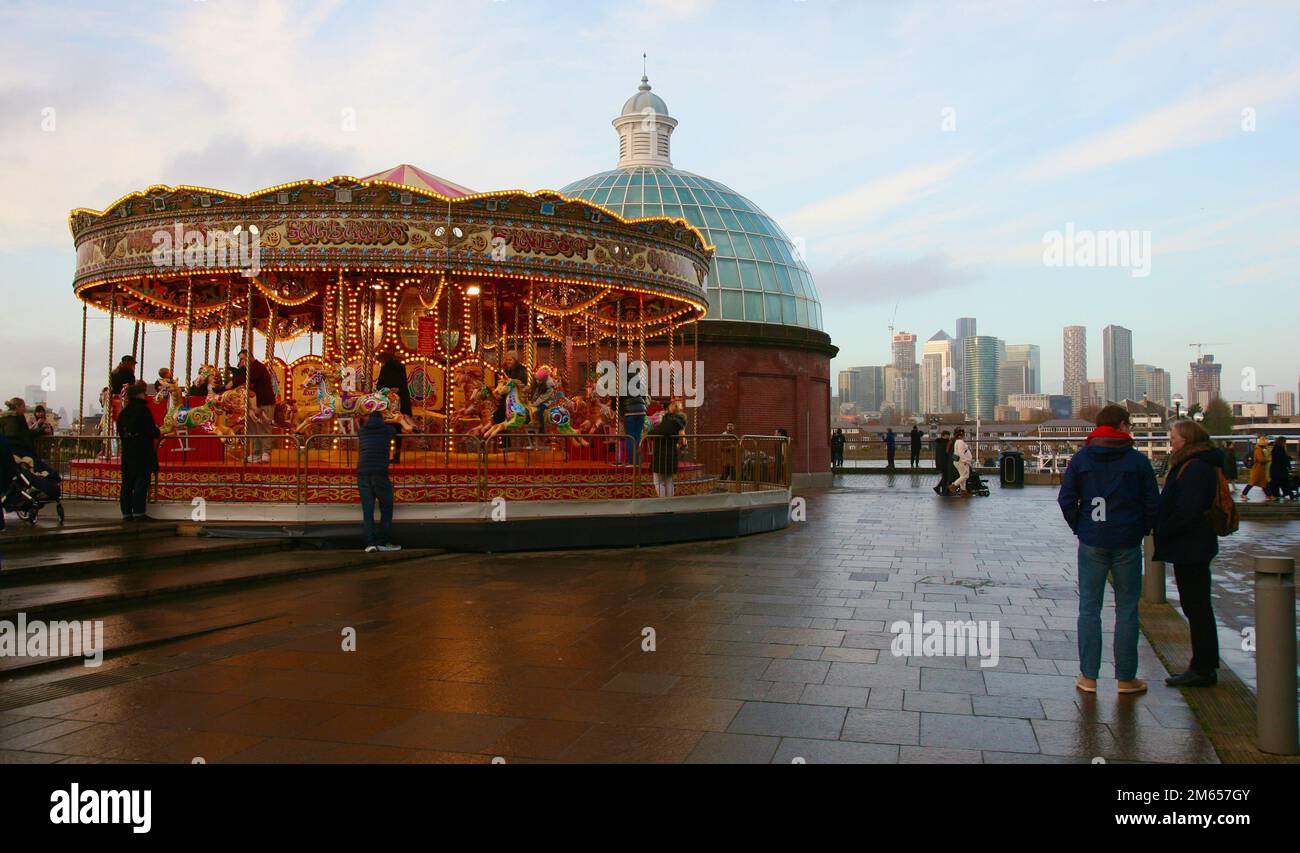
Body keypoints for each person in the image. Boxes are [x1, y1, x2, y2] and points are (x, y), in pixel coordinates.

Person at [1057, 404, 1159, 695]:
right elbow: (1153, 504)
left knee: (1089, 607)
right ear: (1123, 426)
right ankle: (1126, 678)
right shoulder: (1138, 462)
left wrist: (1081, 526)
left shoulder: (1081, 459)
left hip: (1092, 540)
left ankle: (1088, 676)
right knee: (1127, 608)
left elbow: (1066, 499)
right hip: (1126, 541)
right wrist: (1141, 528)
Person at [1154, 419, 1223, 688]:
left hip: (1191, 547)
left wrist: (1163, 528)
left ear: (1186, 439)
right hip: (1195, 545)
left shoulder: (1194, 468)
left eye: (1173, 435)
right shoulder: (1199, 464)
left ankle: (1203, 668)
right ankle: (1204, 664)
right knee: (1197, 605)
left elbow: (1187, 511)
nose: (1170, 439)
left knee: (1197, 606)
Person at [357, 411, 401, 553]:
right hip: (380, 472)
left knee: (368, 510)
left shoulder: (362, 431)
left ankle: (370, 543)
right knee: (386, 507)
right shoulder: (387, 430)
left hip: (363, 472)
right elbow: (395, 430)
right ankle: (383, 541)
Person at [116, 381, 159, 521]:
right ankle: (139, 512)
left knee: (127, 483)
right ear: (138, 395)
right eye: (143, 393)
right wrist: (157, 430)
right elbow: (151, 431)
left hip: (128, 451)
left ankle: (126, 513)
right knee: (142, 481)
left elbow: (121, 432)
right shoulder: (142, 410)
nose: (145, 395)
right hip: (142, 451)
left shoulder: (123, 413)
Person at [230, 349, 277, 462]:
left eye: (242, 359)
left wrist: (232, 382)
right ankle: (256, 453)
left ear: (248, 357)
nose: (241, 361)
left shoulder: (257, 367)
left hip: (265, 402)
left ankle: (266, 453)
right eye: (240, 359)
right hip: (255, 404)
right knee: (255, 429)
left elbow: (247, 379)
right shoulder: (250, 369)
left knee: (264, 427)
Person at [375, 351, 412, 463]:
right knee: (398, 430)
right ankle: (397, 455)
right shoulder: (401, 368)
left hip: (388, 402)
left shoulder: (385, 368)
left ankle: (384, 455)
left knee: (384, 429)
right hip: (401, 403)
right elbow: (403, 386)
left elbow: (380, 385)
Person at [647, 399, 688, 497]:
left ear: (671, 408)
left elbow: (662, 431)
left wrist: (650, 433)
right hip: (670, 452)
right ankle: (669, 502)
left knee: (658, 481)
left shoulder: (670, 420)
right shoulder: (678, 422)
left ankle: (664, 503)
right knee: (668, 480)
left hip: (662, 453)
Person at [618, 386, 648, 466]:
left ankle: (632, 461)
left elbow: (620, 398)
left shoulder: (624, 383)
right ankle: (637, 461)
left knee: (630, 437)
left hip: (629, 411)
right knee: (637, 436)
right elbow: (644, 396)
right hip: (641, 411)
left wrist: (620, 412)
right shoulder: (640, 382)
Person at [1241, 436, 1269, 501]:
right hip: (1257, 470)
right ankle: (1243, 494)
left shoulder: (1257, 449)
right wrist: (1268, 459)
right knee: (1253, 483)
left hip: (1259, 470)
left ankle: (1269, 495)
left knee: (1263, 483)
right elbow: (1261, 459)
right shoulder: (1258, 450)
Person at [1268, 436, 1294, 501]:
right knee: (1285, 483)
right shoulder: (1280, 448)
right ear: (1282, 442)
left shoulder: (1275, 448)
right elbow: (1283, 459)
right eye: (1284, 442)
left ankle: (1276, 495)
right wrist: (1289, 462)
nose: (1285, 443)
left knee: (1275, 483)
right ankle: (1289, 495)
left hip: (1274, 469)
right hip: (1281, 470)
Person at [949, 428, 972, 495]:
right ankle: (953, 486)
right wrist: (965, 460)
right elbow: (961, 453)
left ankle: (963, 491)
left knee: (962, 476)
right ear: (961, 434)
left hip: (960, 461)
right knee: (965, 476)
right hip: (962, 462)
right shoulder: (960, 442)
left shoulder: (958, 441)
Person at [932, 430, 952, 496]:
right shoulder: (945, 443)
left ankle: (940, 489)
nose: (949, 436)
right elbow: (947, 453)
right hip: (945, 462)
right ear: (944, 435)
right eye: (948, 435)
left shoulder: (939, 442)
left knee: (945, 476)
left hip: (940, 462)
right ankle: (944, 491)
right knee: (946, 477)